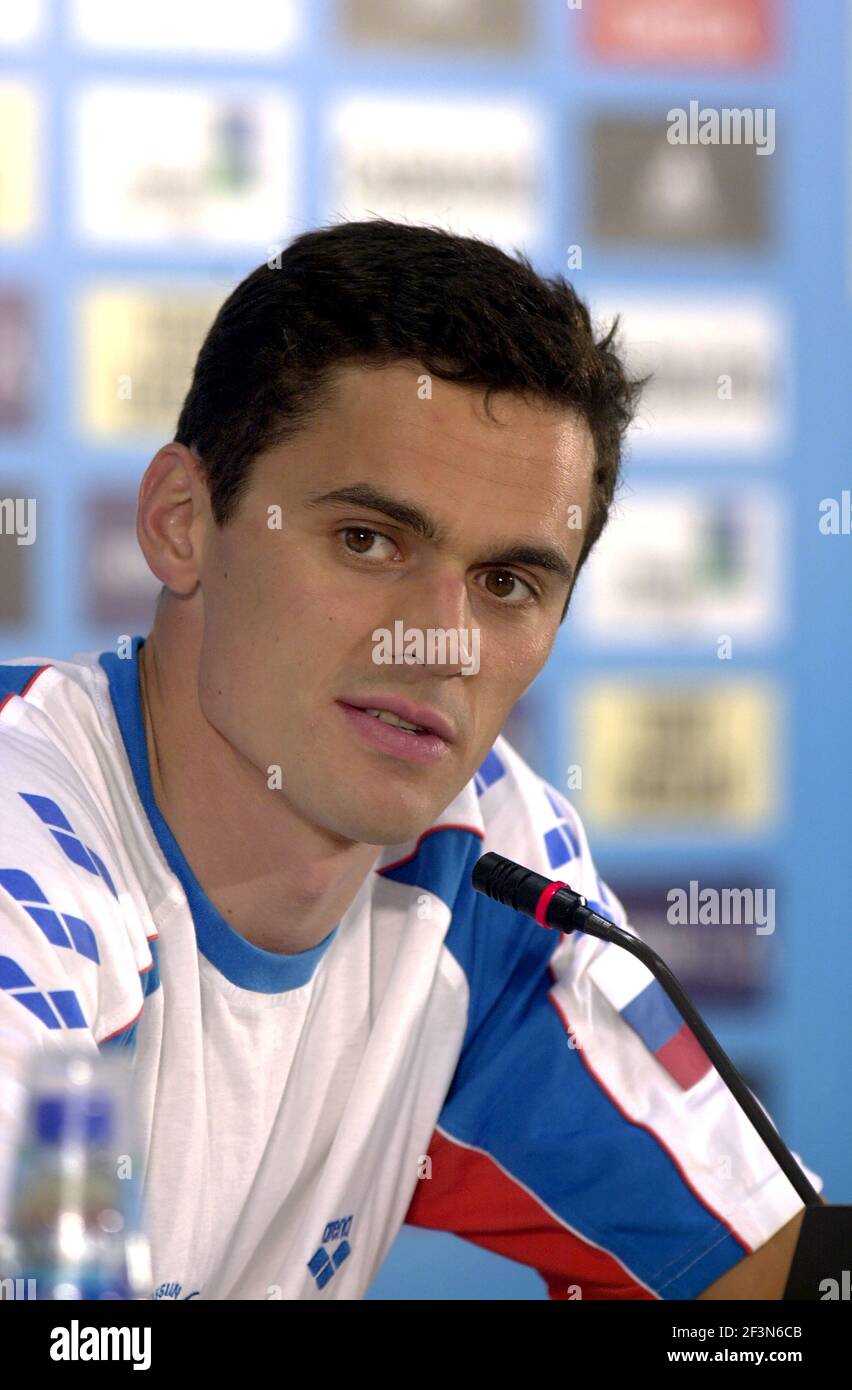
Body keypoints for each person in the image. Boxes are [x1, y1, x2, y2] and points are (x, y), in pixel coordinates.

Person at [0, 219, 821, 1300]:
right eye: (368, 541)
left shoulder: (487, 865)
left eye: (507, 584)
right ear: (181, 522)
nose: (439, 643)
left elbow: (785, 1288)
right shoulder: (28, 860)